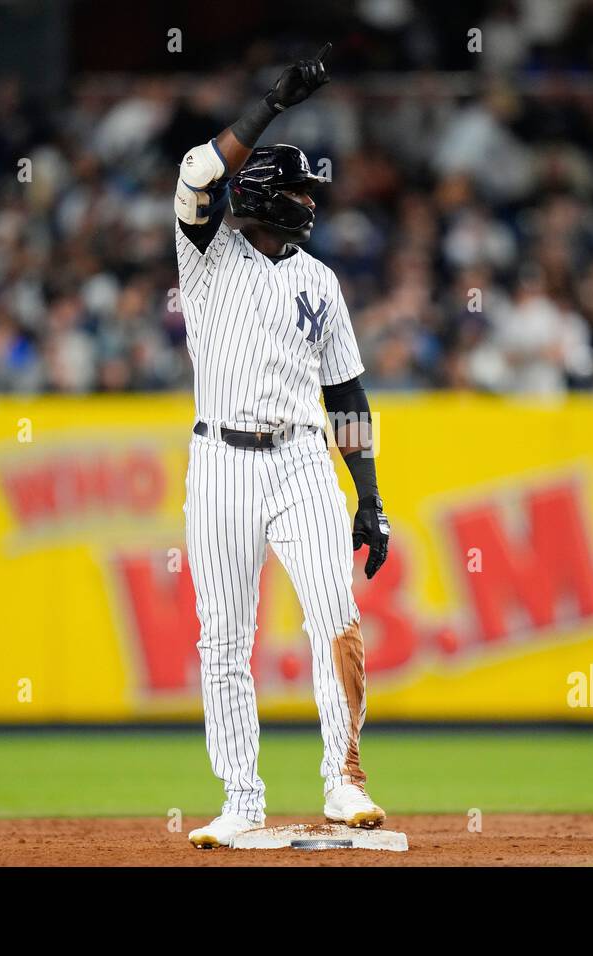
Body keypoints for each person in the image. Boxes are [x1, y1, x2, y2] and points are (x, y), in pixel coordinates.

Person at [172, 44, 392, 848]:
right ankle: (242, 799)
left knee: (334, 611)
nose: (308, 199)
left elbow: (347, 395)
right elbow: (199, 173)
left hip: (301, 458)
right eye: (299, 186)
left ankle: (344, 778)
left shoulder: (320, 281)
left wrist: (369, 495)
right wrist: (269, 103)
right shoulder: (205, 254)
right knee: (223, 636)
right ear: (264, 190)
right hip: (221, 459)